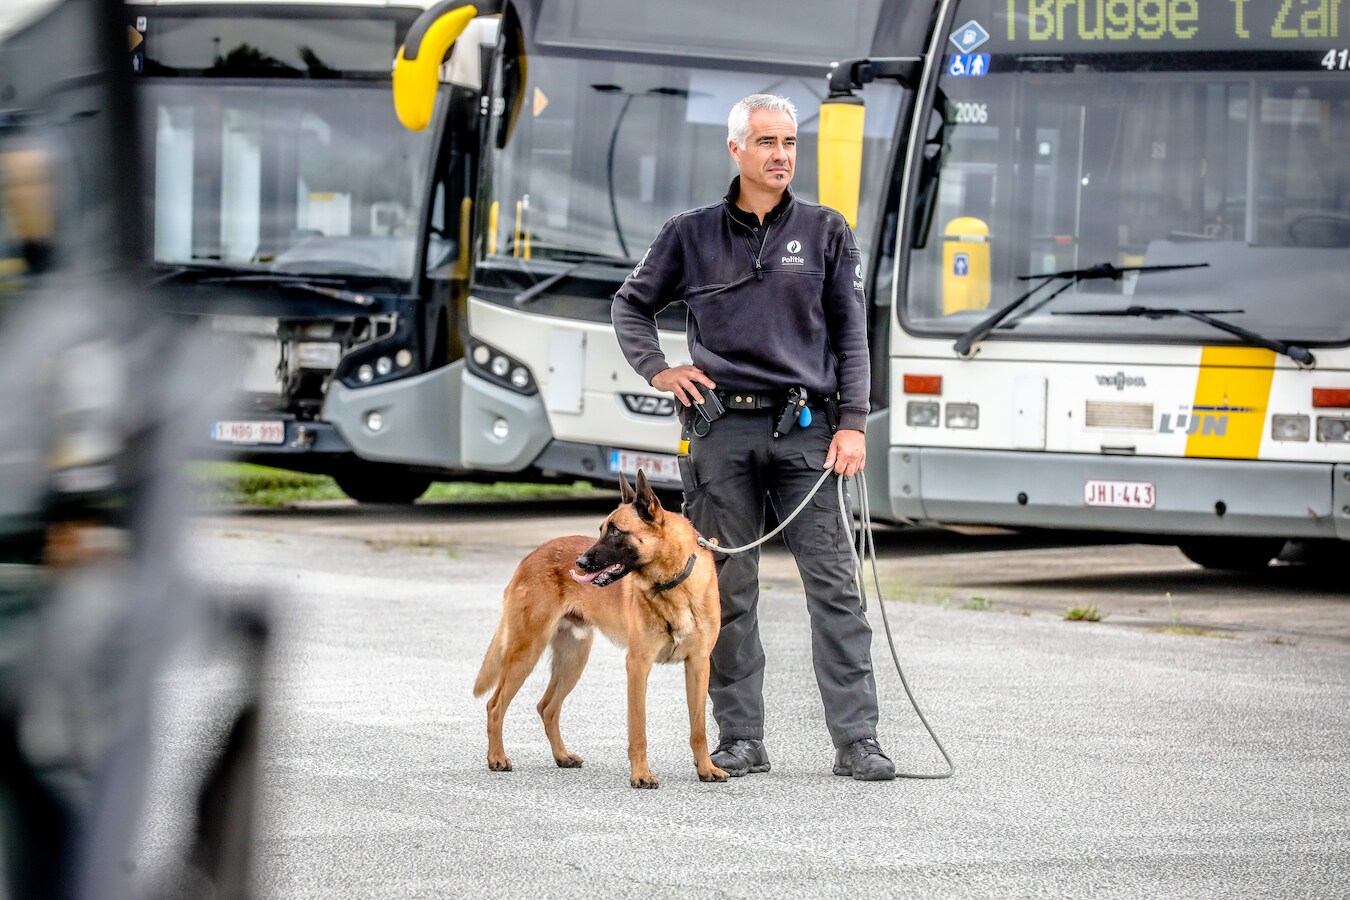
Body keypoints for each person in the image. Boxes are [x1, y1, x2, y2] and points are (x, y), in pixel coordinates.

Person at [611, 94, 894, 781]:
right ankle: (740, 737)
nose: (781, 155)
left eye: (790, 142)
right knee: (724, 591)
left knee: (834, 587)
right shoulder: (690, 232)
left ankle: (857, 741)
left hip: (807, 432)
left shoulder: (828, 231)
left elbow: (852, 336)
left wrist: (852, 423)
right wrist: (658, 369)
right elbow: (631, 304)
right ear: (735, 149)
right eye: (766, 142)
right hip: (720, 433)